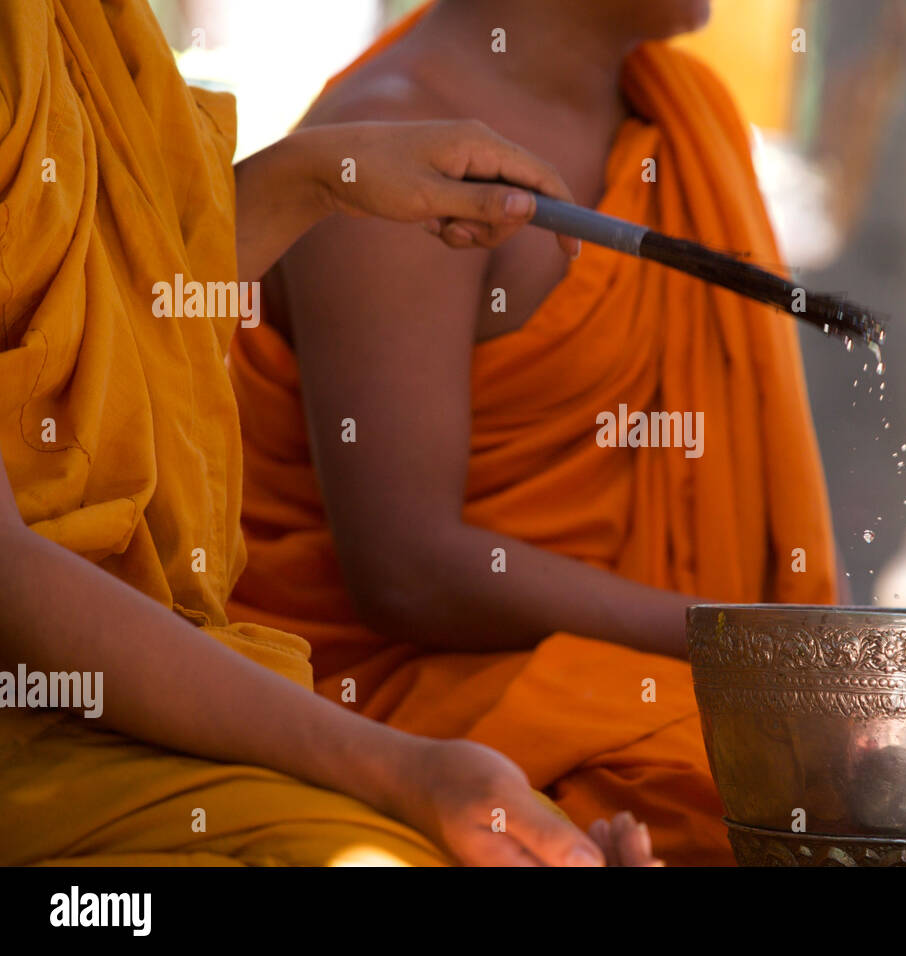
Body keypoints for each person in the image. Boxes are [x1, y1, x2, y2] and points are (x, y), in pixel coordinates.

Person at [0, 0, 656, 867]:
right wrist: (399, 771)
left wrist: (315, 180)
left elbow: (106, 330)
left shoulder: (76, 22)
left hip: (146, 673)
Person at [227, 0, 839, 865]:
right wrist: (742, 641)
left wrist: (805, 654)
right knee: (787, 790)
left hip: (638, 671)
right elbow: (405, 574)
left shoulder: (683, 115)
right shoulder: (395, 145)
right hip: (398, 704)